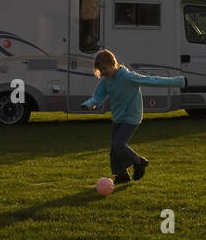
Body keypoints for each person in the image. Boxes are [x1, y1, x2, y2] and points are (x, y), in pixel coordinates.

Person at [80, 49, 187, 184]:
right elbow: (98, 96)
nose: (103, 72)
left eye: (104, 68)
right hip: (118, 117)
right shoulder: (106, 81)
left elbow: (152, 80)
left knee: (119, 144)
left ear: (113, 63)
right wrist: (88, 104)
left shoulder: (128, 77)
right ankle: (121, 175)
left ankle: (139, 161)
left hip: (132, 116)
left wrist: (179, 82)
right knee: (114, 149)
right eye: (101, 70)